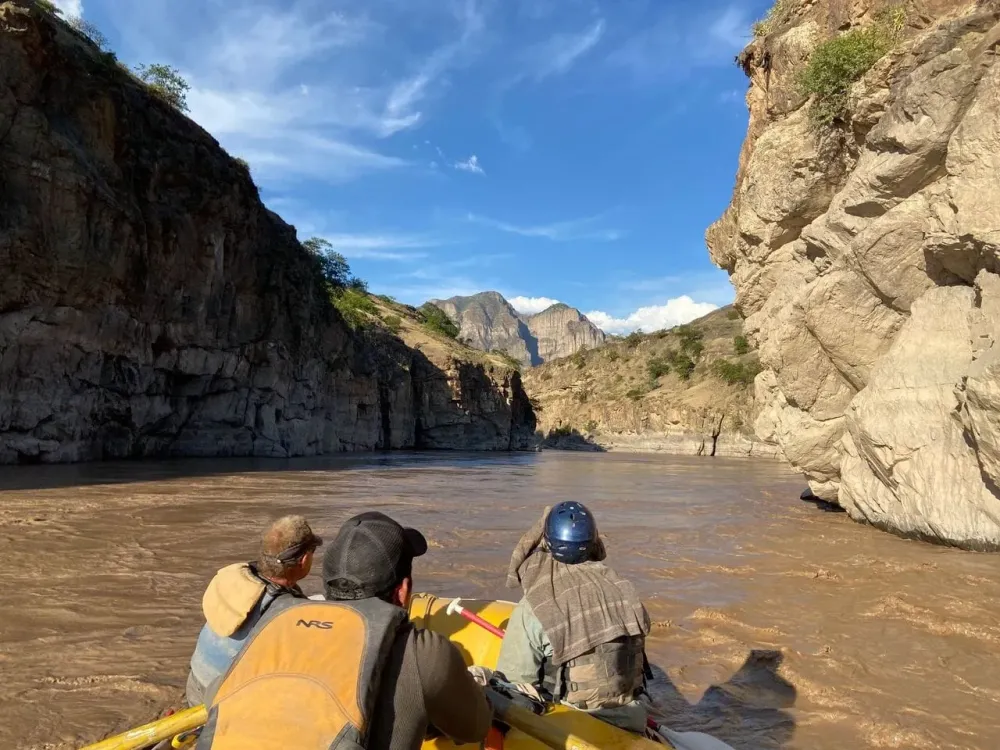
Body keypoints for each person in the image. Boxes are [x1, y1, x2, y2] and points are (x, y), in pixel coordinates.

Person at [195, 511, 493, 750]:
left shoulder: (271, 624)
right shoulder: (423, 651)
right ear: (403, 591)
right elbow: (474, 728)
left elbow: (214, 697)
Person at [496, 501, 652, 733]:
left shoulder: (534, 606)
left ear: (547, 543)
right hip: (633, 718)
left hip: (572, 725)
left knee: (494, 689)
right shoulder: (624, 589)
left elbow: (515, 682)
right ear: (592, 542)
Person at [184, 514, 321, 707]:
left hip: (196, 681)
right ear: (304, 559)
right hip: (221, 699)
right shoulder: (287, 612)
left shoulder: (237, 579)